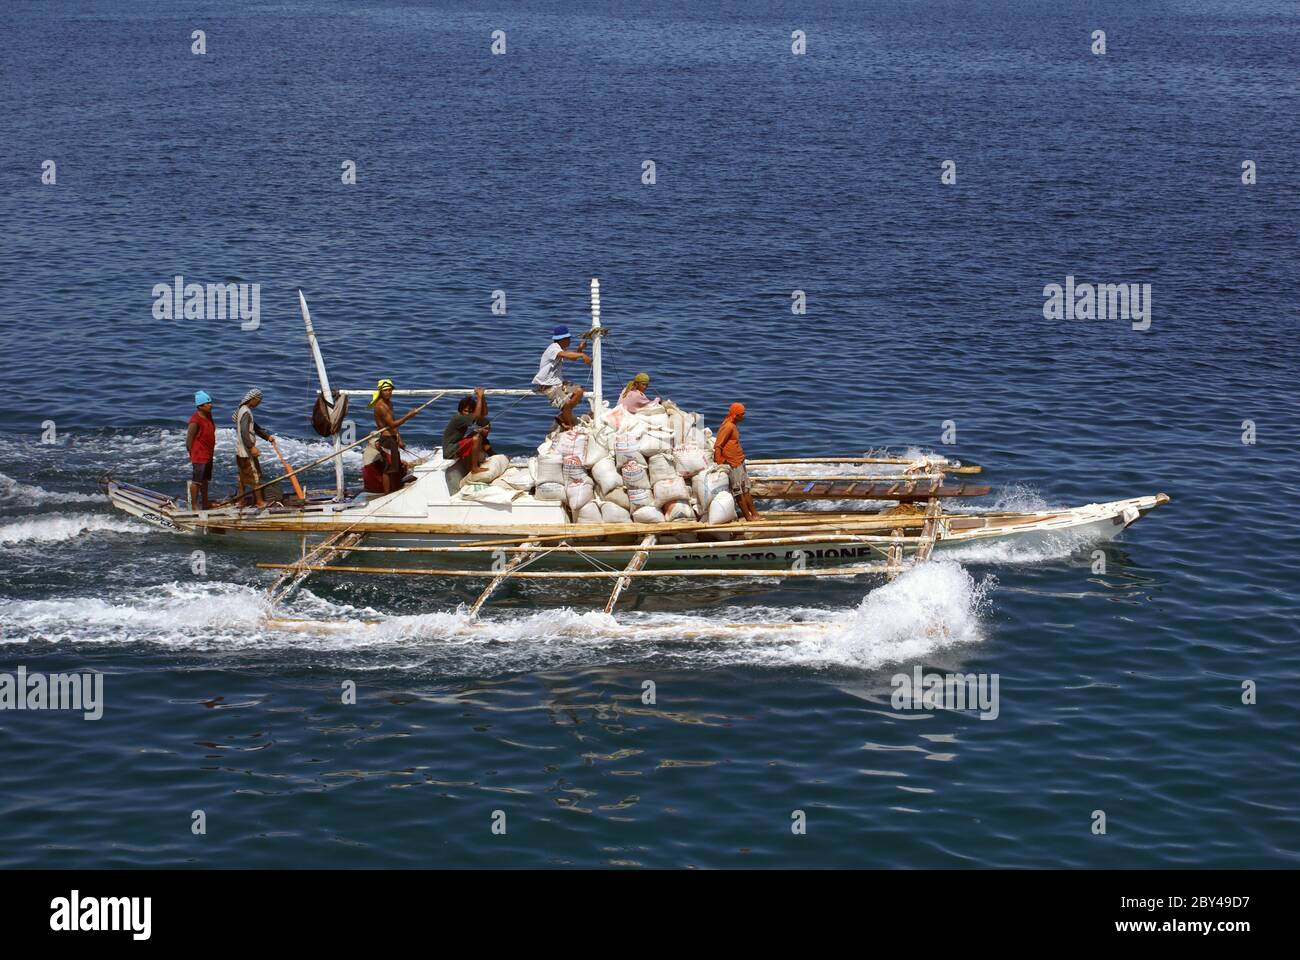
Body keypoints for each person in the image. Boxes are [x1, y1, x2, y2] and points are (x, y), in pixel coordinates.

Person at [369, 378, 423, 494]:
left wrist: (399, 438)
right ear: (380, 392)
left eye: (390, 390)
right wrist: (409, 415)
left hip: (392, 437)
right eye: (385, 390)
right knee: (388, 469)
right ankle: (387, 494)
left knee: (395, 466)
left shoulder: (389, 403)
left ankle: (395, 488)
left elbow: (392, 425)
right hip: (387, 439)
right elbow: (392, 424)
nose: (388, 392)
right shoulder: (381, 406)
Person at [531, 325, 591, 428]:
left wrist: (580, 349)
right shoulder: (553, 348)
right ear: (562, 339)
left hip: (559, 382)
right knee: (567, 403)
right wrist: (582, 355)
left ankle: (564, 416)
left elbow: (572, 358)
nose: (569, 341)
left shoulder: (559, 348)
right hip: (548, 385)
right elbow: (565, 355)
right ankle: (568, 424)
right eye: (568, 339)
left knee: (579, 391)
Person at [713, 402, 761, 522]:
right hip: (733, 463)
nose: (744, 416)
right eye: (742, 414)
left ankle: (755, 514)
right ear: (736, 415)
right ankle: (748, 518)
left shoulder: (733, 425)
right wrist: (720, 463)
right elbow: (718, 445)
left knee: (746, 489)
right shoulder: (728, 426)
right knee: (738, 492)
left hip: (739, 461)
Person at [232, 388, 274, 508]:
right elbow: (245, 431)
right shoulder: (246, 411)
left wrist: (267, 437)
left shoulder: (243, 410)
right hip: (246, 452)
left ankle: (241, 501)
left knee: (242, 477)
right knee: (255, 476)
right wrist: (251, 447)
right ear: (253, 399)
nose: (259, 403)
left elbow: (254, 426)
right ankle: (260, 502)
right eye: (259, 401)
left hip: (240, 452)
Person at [442, 388, 489, 470]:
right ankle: (474, 468)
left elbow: (483, 414)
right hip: (450, 451)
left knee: (477, 434)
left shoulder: (465, 416)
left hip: (456, 446)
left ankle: (474, 463)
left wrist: (482, 397)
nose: (468, 413)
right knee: (476, 439)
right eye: (465, 411)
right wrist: (479, 397)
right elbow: (477, 415)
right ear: (460, 410)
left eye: (470, 411)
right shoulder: (459, 418)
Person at [185, 390, 216, 510]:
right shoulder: (195, 421)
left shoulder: (208, 416)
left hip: (208, 453)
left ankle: (205, 502)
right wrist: (193, 455)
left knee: (205, 480)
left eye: (210, 402)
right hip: (199, 455)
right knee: (196, 481)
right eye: (207, 403)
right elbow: (189, 441)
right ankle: (194, 506)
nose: (210, 405)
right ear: (200, 406)